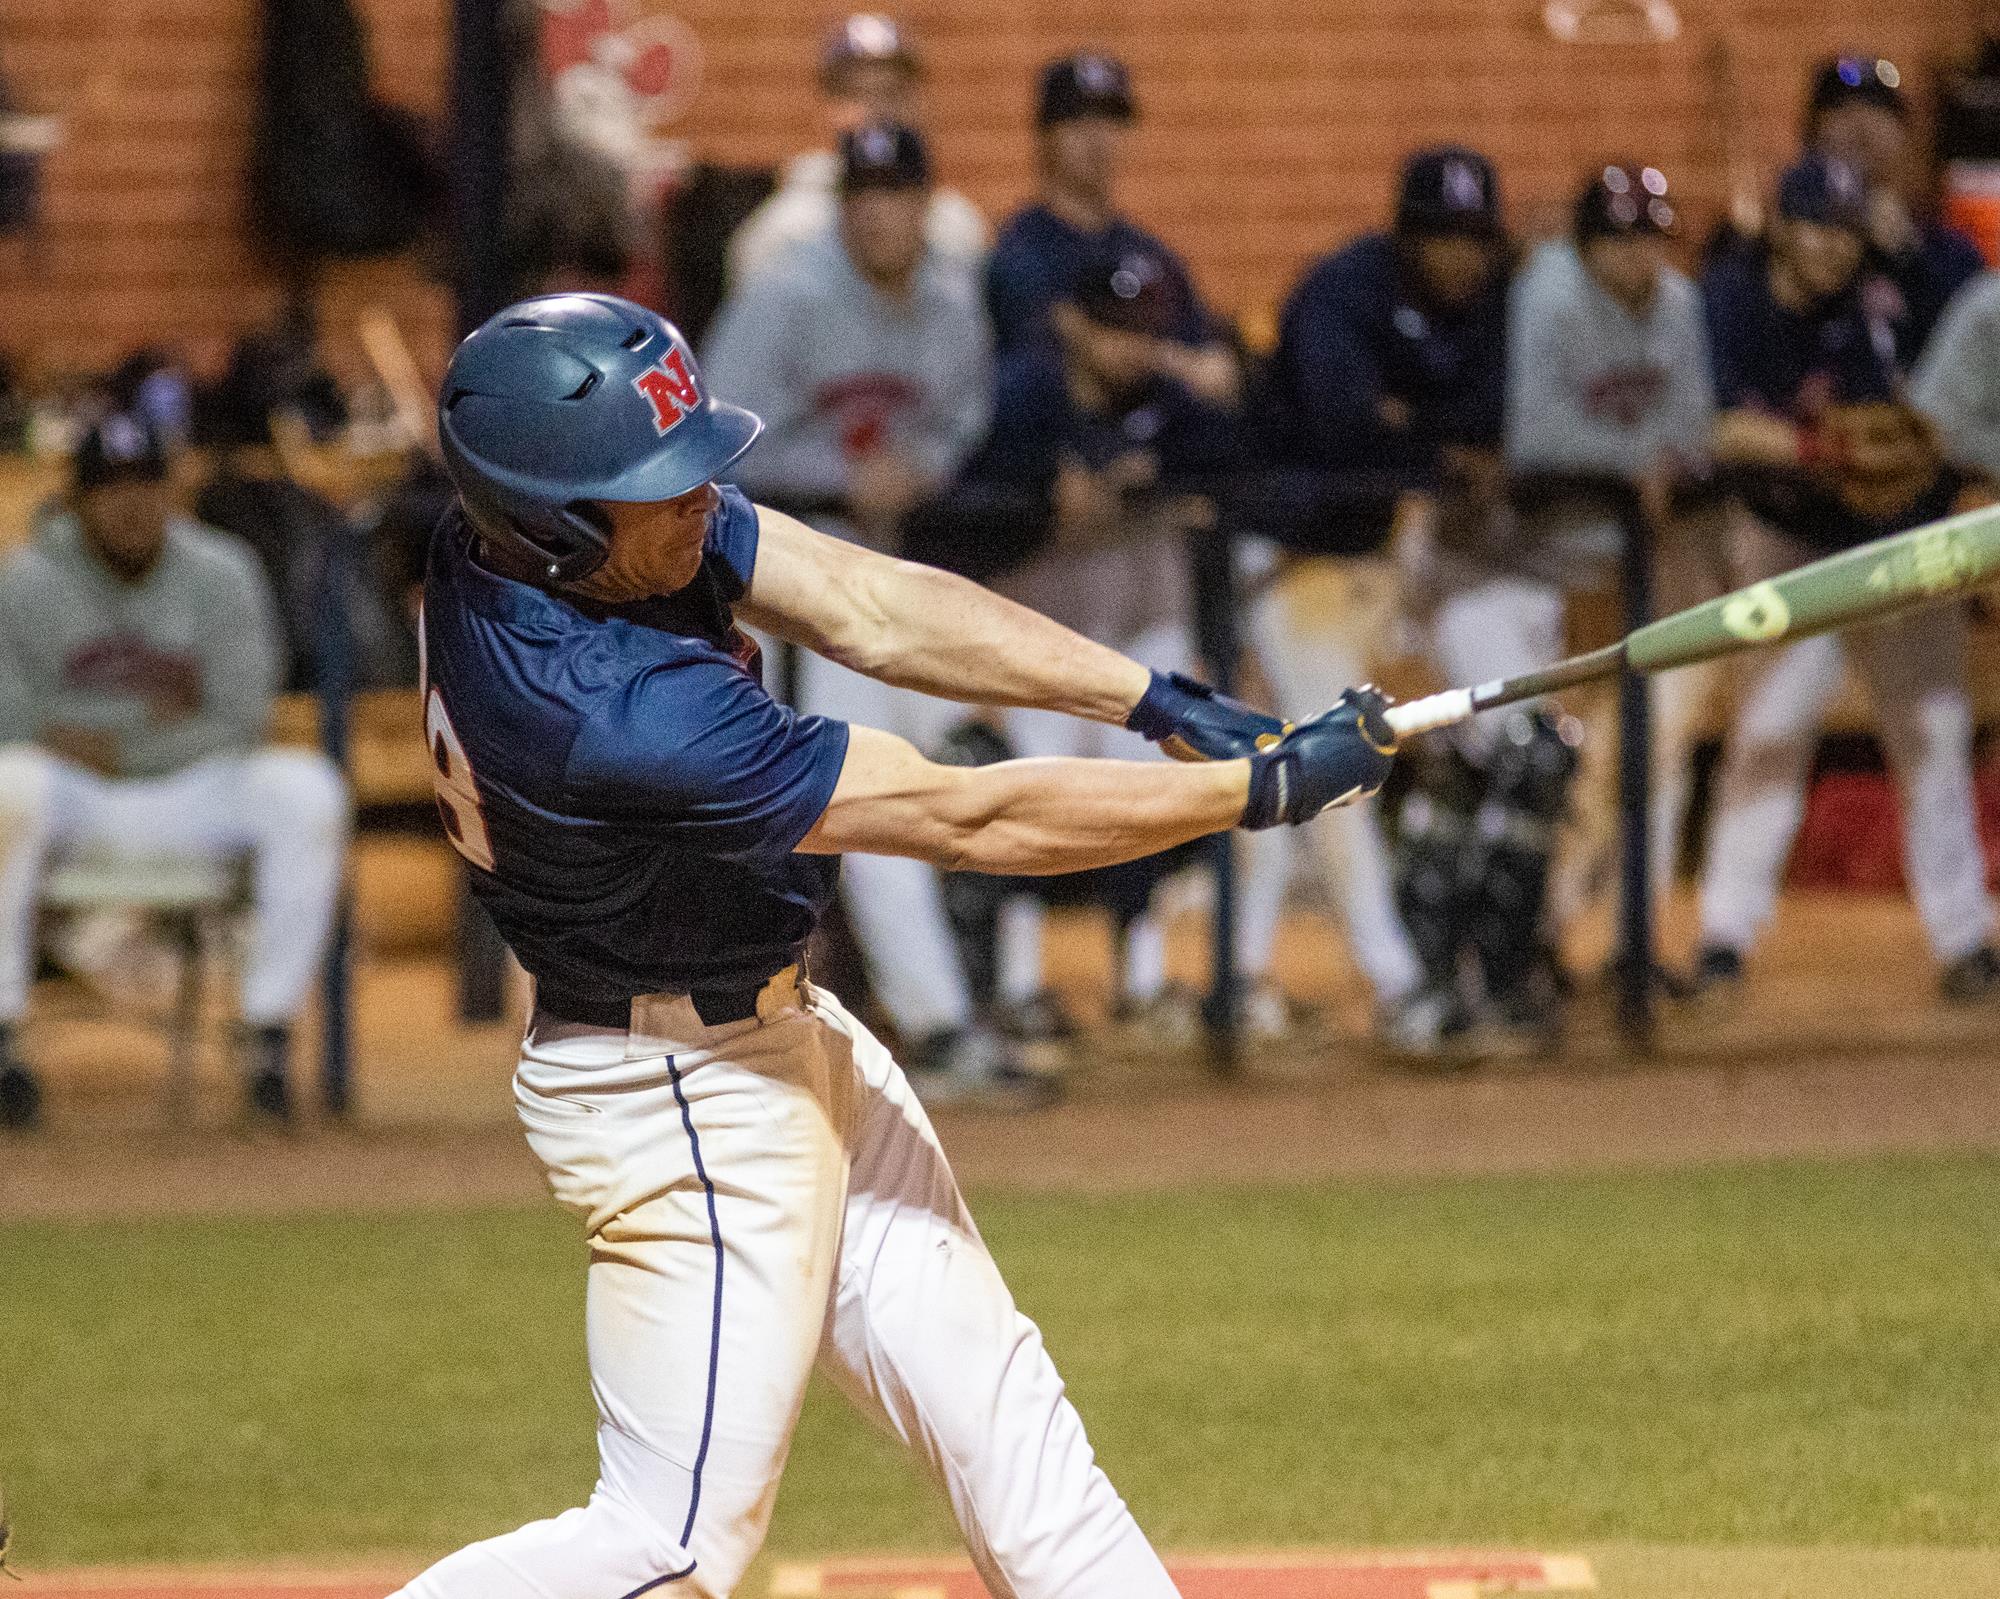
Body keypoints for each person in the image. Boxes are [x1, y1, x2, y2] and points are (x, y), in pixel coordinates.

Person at [393, 290, 1396, 1599]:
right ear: (553, 518)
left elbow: (871, 603)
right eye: (660, 481)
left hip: (774, 1039)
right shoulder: (612, 712)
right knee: (671, 1541)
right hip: (678, 1099)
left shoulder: (527, 545)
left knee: (1016, 1447)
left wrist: (1147, 696)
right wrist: (1251, 795)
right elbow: (969, 810)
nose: (702, 494)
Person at [701, 122, 1023, 1103]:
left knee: (981, 755)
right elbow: (701, 445)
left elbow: (963, 423)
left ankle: (994, 996)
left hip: (894, 585)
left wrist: (918, 473)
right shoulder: (786, 296)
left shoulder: (949, 305)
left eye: (900, 190)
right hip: (787, 598)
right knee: (870, 782)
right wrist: (841, 475)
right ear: (844, 205)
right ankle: (934, 1025)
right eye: (865, 192)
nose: (882, 209)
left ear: (926, 204)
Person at [954, 238, 1295, 1042]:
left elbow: (1245, 464)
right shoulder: (1024, 394)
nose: (1131, 344)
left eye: (1145, 327)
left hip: (1131, 610)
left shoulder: (1171, 404)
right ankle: (1021, 980)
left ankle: (1142, 979)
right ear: (1070, 322)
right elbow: (960, 510)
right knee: (1032, 782)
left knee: (1146, 787)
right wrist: (1042, 509)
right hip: (1030, 610)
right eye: (1113, 325)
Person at [1693, 154, 1998, 1003]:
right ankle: (1724, 934)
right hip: (1791, 543)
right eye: (1818, 226)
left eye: (1847, 230)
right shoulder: (1735, 297)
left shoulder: (1901, 290)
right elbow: (1709, 422)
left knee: (1934, 732)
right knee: (1766, 734)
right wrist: (1818, 450)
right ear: (1784, 228)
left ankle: (1965, 939)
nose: (1833, 247)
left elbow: (1958, 362)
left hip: (1902, 548)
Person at [0, 413, 350, 1129]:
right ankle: (2, 1039)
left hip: (195, 793)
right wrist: (156, 725)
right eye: (110, 488)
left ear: (170, 492)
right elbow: (12, 720)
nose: (130, 503)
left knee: (306, 789)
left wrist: (106, 741)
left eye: (146, 485)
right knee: (9, 785)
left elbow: (240, 716)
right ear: (77, 498)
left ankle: (267, 1036)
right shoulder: (27, 579)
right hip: (77, 801)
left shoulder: (222, 571)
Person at [1253, 145, 1514, 1051]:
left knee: (1520, 739)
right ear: (1405, 236)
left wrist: (1421, 440)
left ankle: (1510, 960)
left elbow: (1498, 427)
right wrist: (1440, 449)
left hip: (1412, 559)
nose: (1461, 256)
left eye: (1476, 236)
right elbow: (1346, 425)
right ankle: (1397, 979)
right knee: (1325, 754)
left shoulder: (1499, 302)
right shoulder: (1340, 293)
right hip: (1291, 557)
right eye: (1441, 235)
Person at [1502, 163, 1721, 917]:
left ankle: (1634, 936)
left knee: (1654, 754)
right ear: (1586, 244)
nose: (1638, 255)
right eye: (1619, 239)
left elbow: (1695, 426)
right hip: (1541, 562)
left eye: (1650, 237)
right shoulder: (1550, 295)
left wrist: (1654, 460)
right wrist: (1639, 460)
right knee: (1556, 761)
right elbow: (1533, 432)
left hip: (1647, 561)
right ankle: (1538, 928)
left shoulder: (1679, 302)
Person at [726, 13, 986, 291]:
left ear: (921, 105)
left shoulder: (960, 228)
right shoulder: (782, 234)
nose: (877, 109)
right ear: (824, 110)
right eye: (857, 94)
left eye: (892, 93)